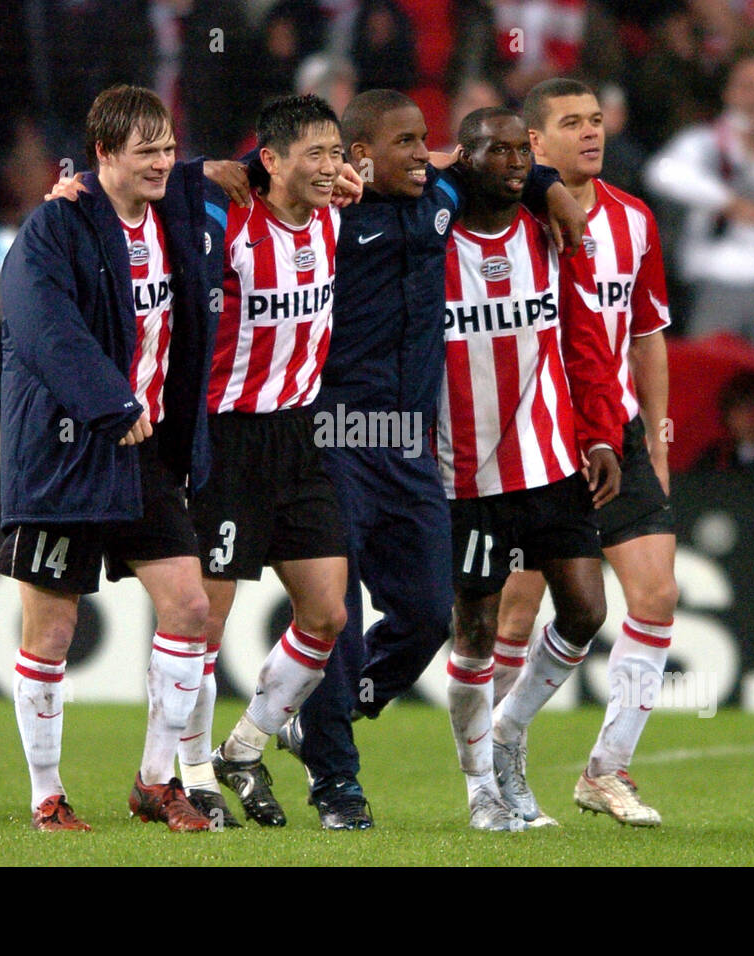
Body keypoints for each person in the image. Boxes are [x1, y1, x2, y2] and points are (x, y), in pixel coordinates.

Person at [269, 89, 590, 830]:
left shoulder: (438, 193)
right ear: (359, 159)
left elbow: (482, 162)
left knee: (422, 612)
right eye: (406, 142)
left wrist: (547, 184)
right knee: (337, 611)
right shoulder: (329, 216)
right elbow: (254, 180)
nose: (424, 151)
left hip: (411, 440)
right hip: (340, 432)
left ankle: (331, 713)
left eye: (424, 138)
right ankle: (336, 782)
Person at [0, 84, 218, 833]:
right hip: (69, 449)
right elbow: (43, 327)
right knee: (52, 631)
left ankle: (156, 781)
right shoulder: (55, 227)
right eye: (145, 150)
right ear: (102, 155)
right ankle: (46, 796)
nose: (163, 162)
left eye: (168, 147)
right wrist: (110, 403)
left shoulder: (176, 212)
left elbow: (249, 168)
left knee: (189, 607)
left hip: (146, 452)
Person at [494, 77, 680, 827]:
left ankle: (606, 769)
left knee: (657, 596)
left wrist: (659, 442)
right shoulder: (511, 219)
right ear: (534, 145)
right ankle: (497, 758)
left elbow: (647, 336)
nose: (591, 133)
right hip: (540, 436)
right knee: (516, 614)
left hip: (620, 435)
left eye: (597, 120)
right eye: (571, 123)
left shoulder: (635, 220)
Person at [438, 106, 620, 831]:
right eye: (499, 151)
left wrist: (601, 433)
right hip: (465, 468)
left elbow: (586, 337)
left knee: (585, 609)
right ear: (466, 156)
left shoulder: (552, 231)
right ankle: (481, 789)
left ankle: (508, 734)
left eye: (524, 152)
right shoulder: (432, 233)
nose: (515, 163)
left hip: (548, 457)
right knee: (474, 630)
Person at [189, 94, 354, 828]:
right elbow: (143, 187)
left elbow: (433, 158)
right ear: (272, 159)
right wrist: (199, 166)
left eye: (336, 153)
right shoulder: (227, 220)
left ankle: (245, 746)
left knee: (327, 611)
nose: (329, 167)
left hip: (299, 437)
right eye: (312, 154)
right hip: (227, 440)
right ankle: (181, 772)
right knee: (200, 623)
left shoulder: (334, 214)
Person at [644, 53, 754, 352]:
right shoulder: (704, 140)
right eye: (749, 87)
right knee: (710, 375)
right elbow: (661, 173)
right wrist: (727, 202)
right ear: (729, 92)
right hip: (714, 278)